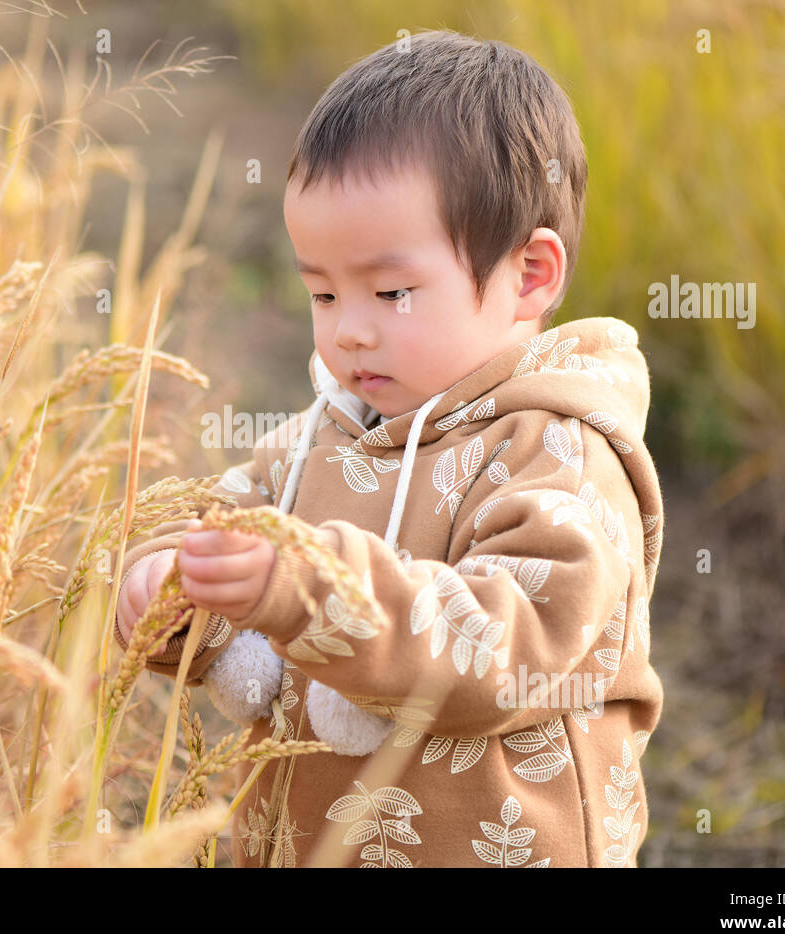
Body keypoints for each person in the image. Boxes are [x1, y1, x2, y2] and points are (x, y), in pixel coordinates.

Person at [115, 29, 664, 867]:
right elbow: (224, 519)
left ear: (530, 275)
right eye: (323, 292)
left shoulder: (559, 454)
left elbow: (508, 646)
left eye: (391, 291)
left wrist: (311, 589)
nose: (349, 330)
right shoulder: (321, 438)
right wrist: (172, 587)